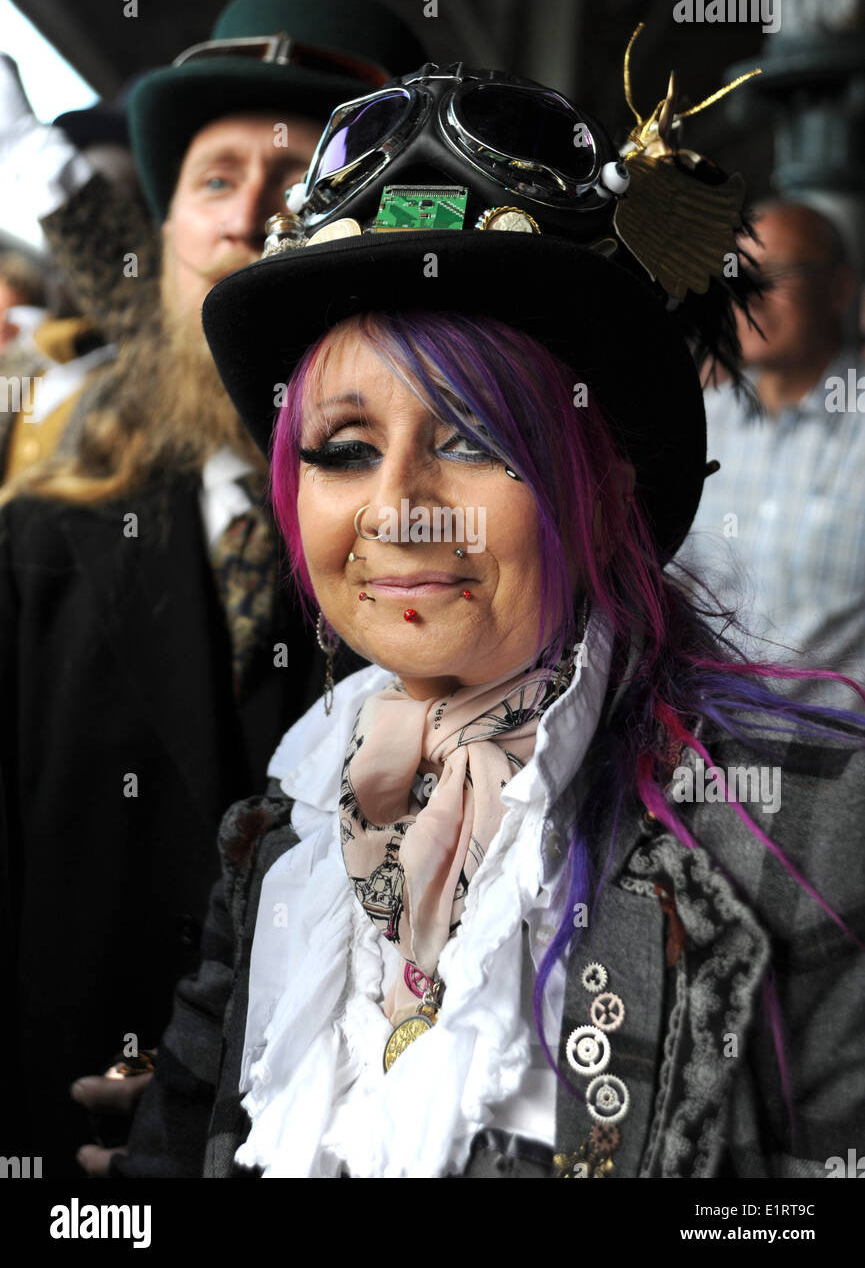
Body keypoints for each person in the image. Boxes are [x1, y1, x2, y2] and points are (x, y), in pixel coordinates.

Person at [95, 62, 865, 1179]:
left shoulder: (815, 832)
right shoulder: (284, 832)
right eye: (345, 449)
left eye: (471, 437)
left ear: (601, 480)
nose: (399, 507)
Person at [0, 0, 426, 1175]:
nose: (247, 218)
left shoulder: (468, 575)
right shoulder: (38, 537)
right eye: (214, 180)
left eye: (298, 182)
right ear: (168, 232)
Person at [681, 200, 863, 702]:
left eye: (777, 274)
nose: (750, 297)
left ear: (839, 290)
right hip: (704, 746)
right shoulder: (699, 422)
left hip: (842, 760)